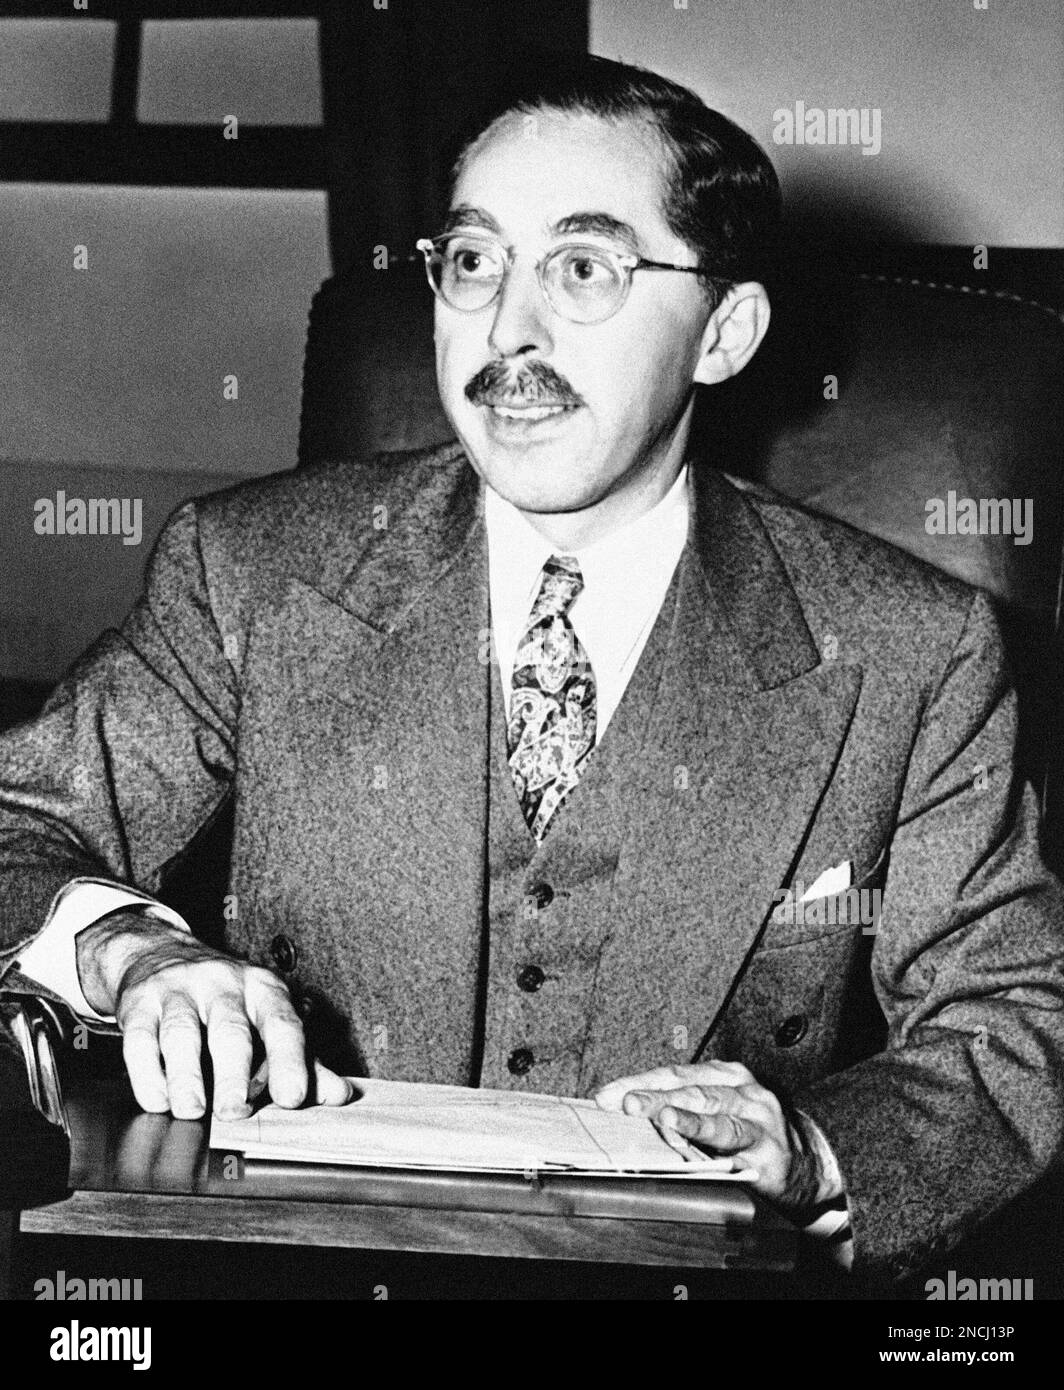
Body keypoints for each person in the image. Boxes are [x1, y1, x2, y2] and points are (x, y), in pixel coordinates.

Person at [1, 55, 1062, 1286]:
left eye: (580, 267)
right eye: (471, 260)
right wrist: (139, 955)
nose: (507, 330)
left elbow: (1014, 1016)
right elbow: (20, 823)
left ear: (722, 333)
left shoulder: (910, 652)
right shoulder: (251, 573)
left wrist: (818, 1149)